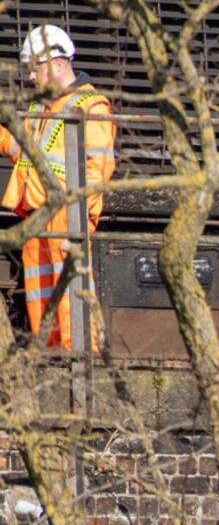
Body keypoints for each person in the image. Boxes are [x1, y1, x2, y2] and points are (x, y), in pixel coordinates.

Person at [2, 25, 115, 350]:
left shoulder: (91, 106)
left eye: (34, 69)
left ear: (58, 64)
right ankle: (51, 358)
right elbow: (21, 150)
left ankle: (78, 357)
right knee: (42, 294)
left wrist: (77, 214)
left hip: (67, 214)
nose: (30, 78)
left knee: (70, 292)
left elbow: (98, 168)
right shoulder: (41, 107)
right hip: (38, 215)